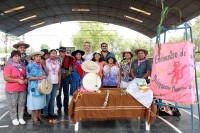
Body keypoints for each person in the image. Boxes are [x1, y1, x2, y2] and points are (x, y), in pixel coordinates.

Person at [3, 50, 27, 126]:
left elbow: (25, 76)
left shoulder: (23, 66)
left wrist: (26, 80)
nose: (17, 58)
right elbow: (6, 78)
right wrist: (17, 80)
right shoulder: (8, 66)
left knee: (21, 104)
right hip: (12, 89)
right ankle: (14, 118)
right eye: (15, 56)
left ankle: (20, 117)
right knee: (13, 104)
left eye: (18, 56)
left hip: (22, 88)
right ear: (12, 57)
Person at [7, 41, 31, 117]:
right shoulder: (12, 57)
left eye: (24, 47)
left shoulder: (28, 57)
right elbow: (8, 69)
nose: (22, 49)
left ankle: (24, 111)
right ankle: (15, 114)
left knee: (24, 98)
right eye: (20, 47)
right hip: (15, 81)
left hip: (25, 80)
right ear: (17, 48)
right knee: (15, 99)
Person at [26, 51, 47, 125]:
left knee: (40, 102)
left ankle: (39, 115)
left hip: (41, 87)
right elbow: (28, 77)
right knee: (34, 103)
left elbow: (45, 75)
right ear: (33, 57)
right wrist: (40, 77)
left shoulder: (40, 66)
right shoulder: (30, 65)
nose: (38, 58)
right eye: (37, 56)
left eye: (39, 56)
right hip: (33, 87)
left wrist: (43, 77)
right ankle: (34, 117)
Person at [43, 49, 61, 118]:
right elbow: (45, 71)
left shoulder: (58, 62)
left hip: (55, 82)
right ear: (49, 54)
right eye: (52, 53)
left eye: (55, 53)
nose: (53, 54)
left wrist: (59, 82)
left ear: (56, 55)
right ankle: (45, 113)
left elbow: (59, 73)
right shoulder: (46, 62)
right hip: (48, 82)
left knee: (53, 98)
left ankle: (52, 112)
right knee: (47, 98)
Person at [56, 47, 74, 114]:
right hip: (58, 78)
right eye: (60, 52)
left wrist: (67, 74)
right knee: (58, 93)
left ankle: (66, 108)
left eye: (63, 52)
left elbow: (71, 67)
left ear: (65, 52)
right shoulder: (56, 58)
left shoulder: (69, 58)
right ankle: (59, 108)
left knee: (66, 93)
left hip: (66, 77)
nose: (61, 53)